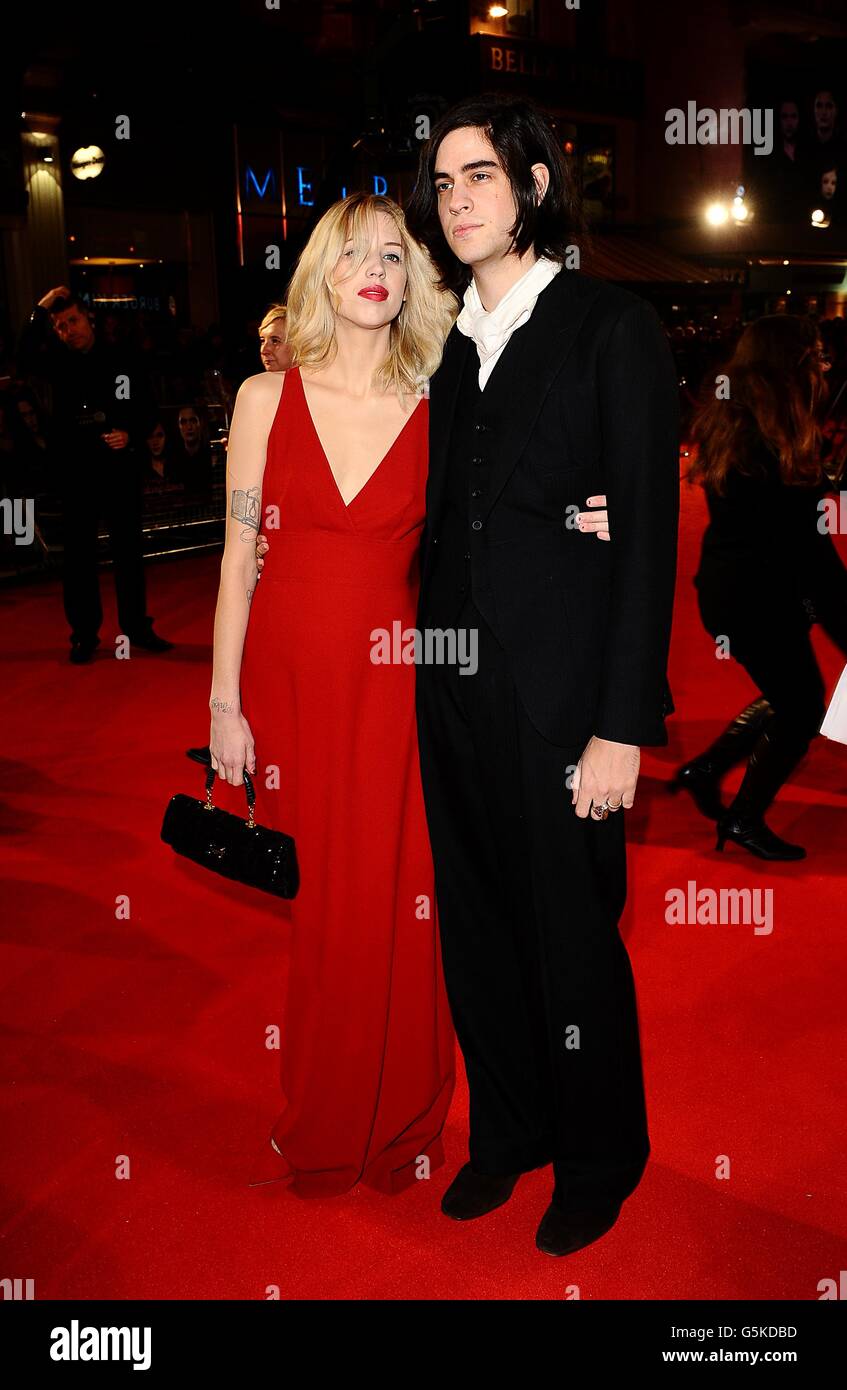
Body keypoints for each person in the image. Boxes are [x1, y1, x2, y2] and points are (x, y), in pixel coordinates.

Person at [399, 93, 680, 1257]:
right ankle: (507, 1132)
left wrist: (620, 725)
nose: (460, 199)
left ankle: (598, 1153)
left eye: (482, 177)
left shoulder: (609, 327)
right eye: (446, 181)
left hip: (564, 693)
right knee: (476, 922)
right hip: (451, 679)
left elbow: (650, 536)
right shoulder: (448, 345)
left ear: (533, 188)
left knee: (571, 929)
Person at [208, 192, 457, 1197]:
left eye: (394, 258)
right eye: (353, 253)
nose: (375, 272)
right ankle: (319, 1115)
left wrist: (585, 515)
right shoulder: (263, 399)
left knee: (402, 906)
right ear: (319, 269)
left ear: (412, 282)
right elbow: (235, 559)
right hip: (292, 684)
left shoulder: (440, 401)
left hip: (397, 685)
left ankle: (399, 1117)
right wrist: (225, 704)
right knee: (324, 911)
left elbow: (487, 543)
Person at [678, 315, 846, 861]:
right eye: (813, 354)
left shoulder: (741, 415)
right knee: (801, 708)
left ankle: (706, 769)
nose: (823, 363)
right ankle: (743, 817)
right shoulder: (769, 432)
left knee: (791, 693)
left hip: (738, 588)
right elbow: (805, 546)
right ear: (786, 361)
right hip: (758, 596)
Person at [19, 287, 173, 662]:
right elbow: (21, 354)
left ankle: (136, 627)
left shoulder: (123, 358)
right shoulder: (55, 361)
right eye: (58, 326)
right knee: (78, 558)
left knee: (128, 552)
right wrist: (40, 309)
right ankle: (84, 635)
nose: (66, 330)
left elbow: (148, 406)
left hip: (118, 469)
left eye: (71, 321)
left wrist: (131, 434)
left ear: (87, 317)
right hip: (75, 473)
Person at [258, 306, 293, 372]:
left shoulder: (316, 381)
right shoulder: (254, 382)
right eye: (262, 341)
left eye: (275, 341)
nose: (264, 351)